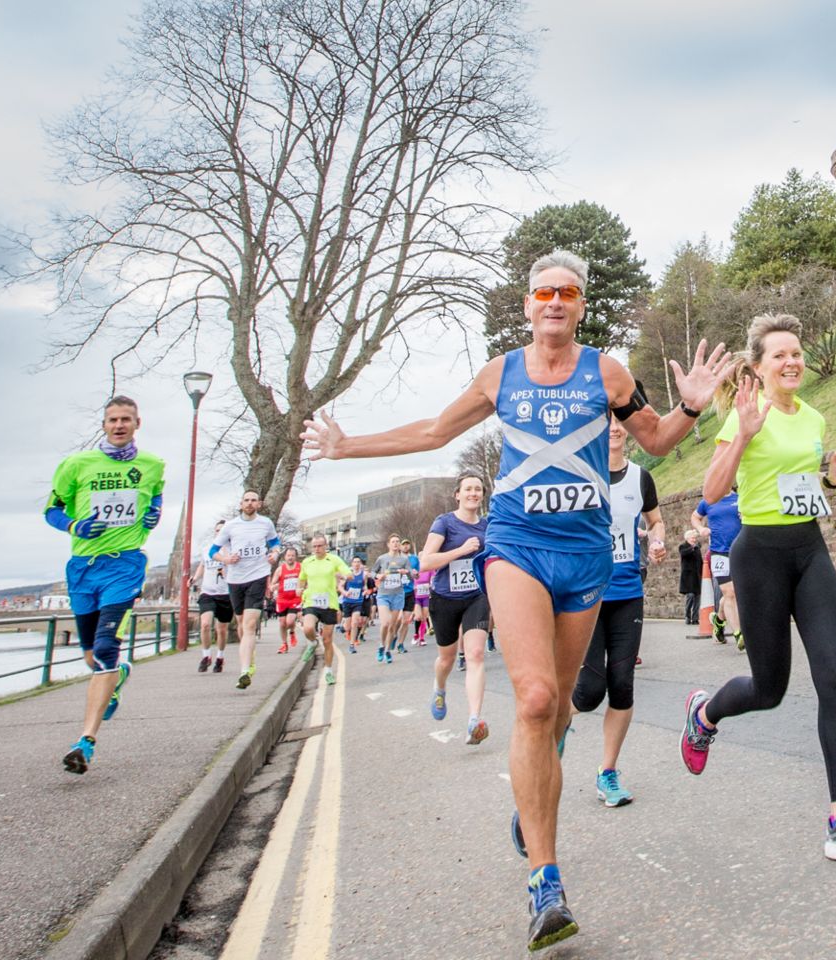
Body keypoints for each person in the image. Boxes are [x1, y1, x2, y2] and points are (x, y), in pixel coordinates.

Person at [302, 248, 728, 952]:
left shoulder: (608, 371)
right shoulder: (501, 373)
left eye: (566, 292)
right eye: (542, 293)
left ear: (581, 304)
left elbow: (655, 438)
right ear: (526, 305)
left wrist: (690, 405)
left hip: (587, 555)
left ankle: (531, 796)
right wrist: (348, 447)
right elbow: (435, 431)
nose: (554, 302)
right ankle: (545, 879)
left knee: (559, 708)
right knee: (532, 700)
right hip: (517, 545)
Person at [679, 314, 836, 865]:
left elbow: (798, 485)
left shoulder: (815, 416)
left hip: (810, 552)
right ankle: (705, 714)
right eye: (780, 355)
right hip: (760, 559)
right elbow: (712, 490)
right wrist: (744, 433)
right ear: (758, 367)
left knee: (834, 678)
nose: (793, 361)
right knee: (769, 688)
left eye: (797, 352)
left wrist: (829, 480)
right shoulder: (745, 417)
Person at [44, 395, 165, 774]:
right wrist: (74, 525)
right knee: (90, 655)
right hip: (83, 569)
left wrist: (154, 513)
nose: (119, 425)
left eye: (126, 419)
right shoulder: (76, 465)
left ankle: (86, 741)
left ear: (137, 423)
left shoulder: (152, 464)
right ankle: (119, 675)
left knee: (104, 647)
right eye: (112, 419)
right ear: (104, 424)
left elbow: (156, 494)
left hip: (125, 566)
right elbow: (51, 509)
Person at [564, 419, 666, 806]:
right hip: (586, 595)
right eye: (605, 423)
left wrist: (657, 540)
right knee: (590, 691)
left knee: (622, 685)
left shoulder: (641, 478)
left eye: (620, 423)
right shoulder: (578, 474)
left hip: (627, 592)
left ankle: (607, 772)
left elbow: (655, 520)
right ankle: (559, 721)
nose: (614, 429)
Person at [419, 476, 493, 743]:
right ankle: (439, 687)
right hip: (445, 598)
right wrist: (461, 550)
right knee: (447, 659)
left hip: (477, 596)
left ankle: (474, 720)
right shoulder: (445, 523)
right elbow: (425, 562)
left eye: (477, 489)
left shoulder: (487, 525)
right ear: (457, 495)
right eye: (468, 489)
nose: (473, 493)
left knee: (475, 654)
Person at [210, 491, 281, 690]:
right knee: (241, 623)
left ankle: (244, 671)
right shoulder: (231, 526)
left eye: (253, 500)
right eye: (246, 500)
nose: (250, 503)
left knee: (249, 625)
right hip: (235, 579)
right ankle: (249, 659)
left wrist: (274, 554)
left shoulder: (266, 523)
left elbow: (275, 543)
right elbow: (212, 552)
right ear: (241, 504)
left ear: (259, 504)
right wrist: (226, 560)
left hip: (257, 576)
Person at [297, 535, 351, 685]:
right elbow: (302, 578)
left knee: (327, 640)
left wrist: (348, 575)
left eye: (320, 546)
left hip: (329, 604)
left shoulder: (334, 560)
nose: (317, 549)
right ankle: (313, 643)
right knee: (308, 628)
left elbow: (345, 570)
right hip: (311, 601)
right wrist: (299, 588)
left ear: (326, 546)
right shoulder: (307, 562)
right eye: (314, 546)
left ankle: (328, 671)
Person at [692, 488, 742, 647]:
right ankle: (739, 634)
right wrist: (701, 529)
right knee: (730, 592)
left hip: (741, 551)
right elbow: (695, 517)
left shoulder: (741, 498)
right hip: (719, 552)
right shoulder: (708, 499)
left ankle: (718, 621)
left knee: (734, 594)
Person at [192, 520, 231, 673]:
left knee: (221, 629)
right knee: (205, 624)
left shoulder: (231, 549)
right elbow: (202, 565)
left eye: (222, 531)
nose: (219, 533)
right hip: (207, 592)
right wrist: (195, 578)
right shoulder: (208, 549)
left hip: (225, 593)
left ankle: (220, 657)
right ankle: (206, 655)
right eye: (217, 530)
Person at [373, 535, 411, 663]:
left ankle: (388, 650)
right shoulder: (382, 558)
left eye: (397, 542)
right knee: (385, 623)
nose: (395, 544)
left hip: (398, 595)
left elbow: (412, 573)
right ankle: (381, 645)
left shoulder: (404, 559)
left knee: (392, 626)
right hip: (384, 594)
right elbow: (372, 572)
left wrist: (408, 573)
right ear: (388, 544)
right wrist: (378, 575)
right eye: (393, 542)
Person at [270, 546, 303, 654]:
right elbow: (272, 583)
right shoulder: (280, 569)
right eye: (288, 555)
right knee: (282, 623)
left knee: (289, 621)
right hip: (282, 600)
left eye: (293, 556)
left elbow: (306, 580)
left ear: (296, 557)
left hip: (295, 599)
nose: (290, 558)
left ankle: (292, 632)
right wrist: (273, 586)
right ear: (285, 557)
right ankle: (284, 644)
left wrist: (304, 588)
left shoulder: (300, 567)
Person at [340, 556, 369, 653]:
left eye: (358, 562)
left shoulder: (364, 575)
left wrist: (365, 591)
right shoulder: (348, 574)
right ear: (352, 564)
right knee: (348, 627)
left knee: (355, 623)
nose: (356, 564)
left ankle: (352, 645)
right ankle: (343, 627)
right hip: (347, 602)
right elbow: (340, 586)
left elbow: (364, 586)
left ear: (360, 564)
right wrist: (345, 593)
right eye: (355, 562)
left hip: (358, 602)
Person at [678, 528, 702, 627]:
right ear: (687, 538)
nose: (694, 540)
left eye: (695, 538)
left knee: (697, 598)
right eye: (692, 538)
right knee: (690, 596)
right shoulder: (683, 546)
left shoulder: (697, 549)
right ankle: (687, 615)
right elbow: (684, 553)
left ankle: (695, 618)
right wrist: (693, 548)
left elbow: (700, 561)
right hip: (688, 577)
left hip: (696, 576)